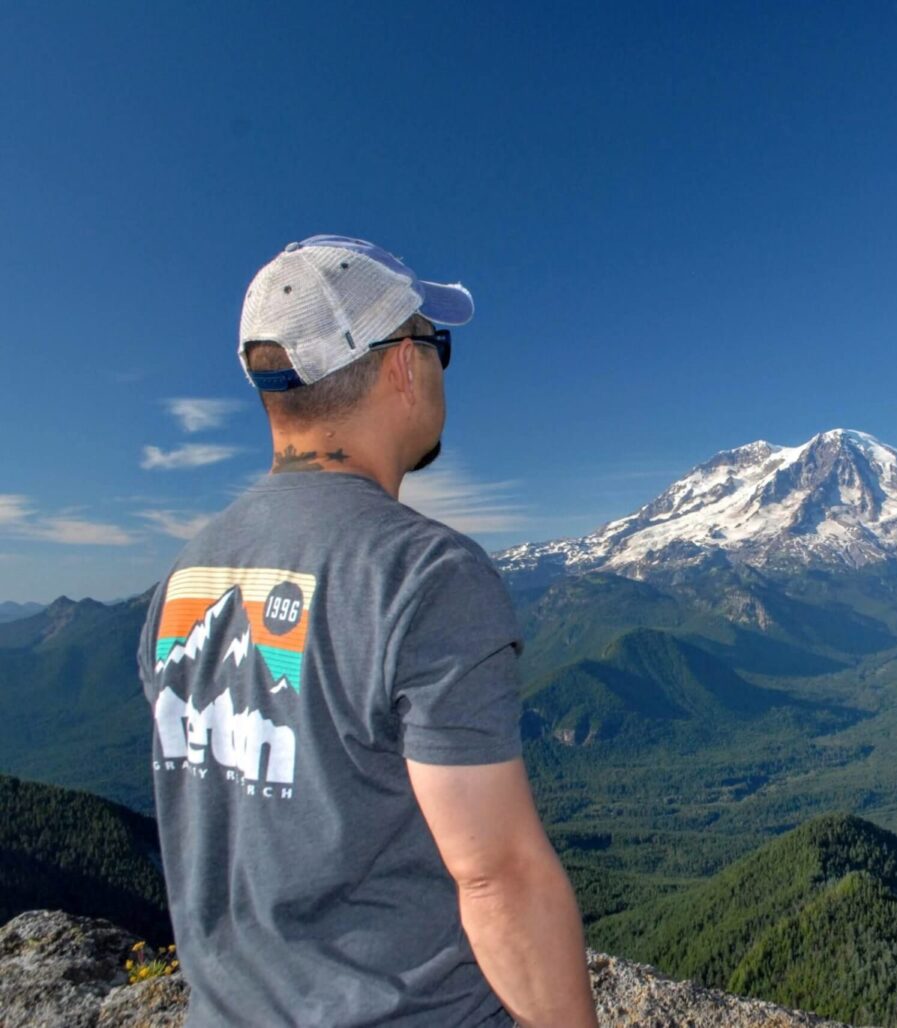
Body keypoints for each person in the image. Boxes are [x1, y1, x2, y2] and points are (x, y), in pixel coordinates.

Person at [136, 234, 599, 1027]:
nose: (441, 369)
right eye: (437, 345)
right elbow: (498, 878)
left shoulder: (184, 579)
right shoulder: (424, 574)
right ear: (400, 365)